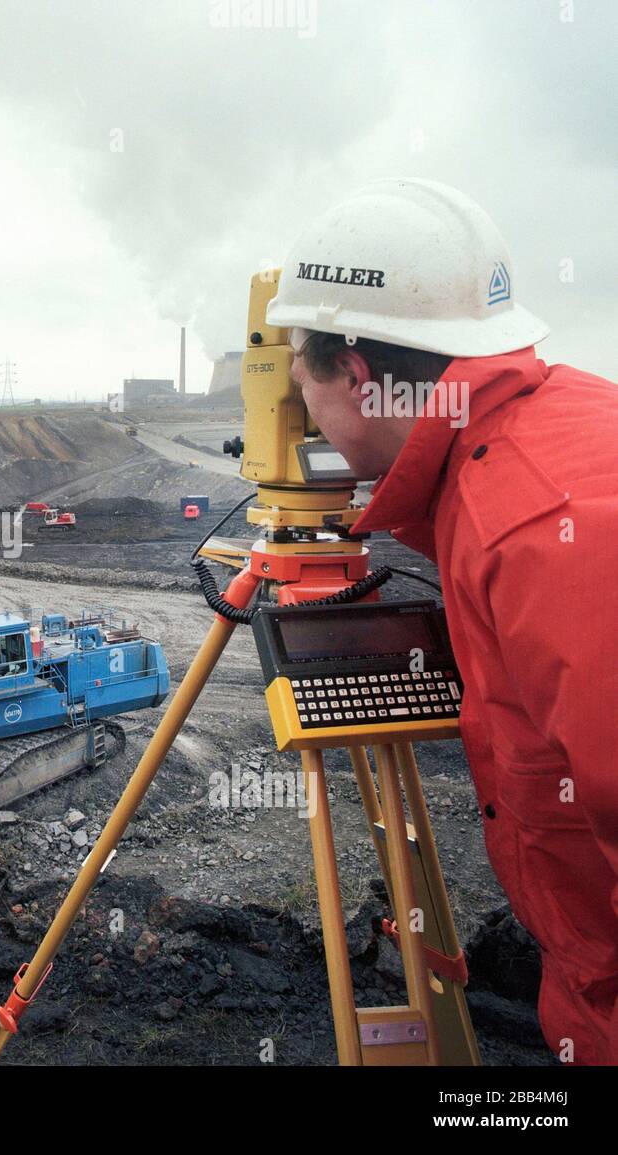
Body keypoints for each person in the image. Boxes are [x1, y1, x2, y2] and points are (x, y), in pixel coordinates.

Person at [266, 178, 618, 1065]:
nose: (306, 417)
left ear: (357, 375)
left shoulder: (540, 530)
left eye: (306, 386)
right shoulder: (561, 426)